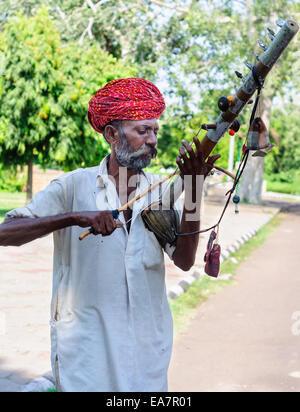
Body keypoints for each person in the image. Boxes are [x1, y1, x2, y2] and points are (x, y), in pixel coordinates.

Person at [0, 78, 220, 392]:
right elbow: (6, 233)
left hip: (146, 351)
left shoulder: (160, 190)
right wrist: (73, 217)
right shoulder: (73, 186)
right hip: (87, 353)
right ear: (112, 134)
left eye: (155, 131)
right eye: (142, 131)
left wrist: (195, 187)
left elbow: (184, 260)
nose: (152, 140)